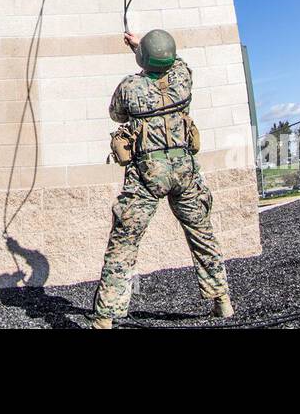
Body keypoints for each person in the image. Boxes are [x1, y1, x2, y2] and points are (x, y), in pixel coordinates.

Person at [89, 29, 233, 328]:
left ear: (143, 59)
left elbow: (117, 115)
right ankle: (221, 299)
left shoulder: (130, 86)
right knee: (202, 234)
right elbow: (173, 62)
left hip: (145, 175)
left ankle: (105, 317)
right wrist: (141, 47)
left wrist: (137, 50)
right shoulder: (183, 78)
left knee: (124, 242)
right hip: (185, 172)